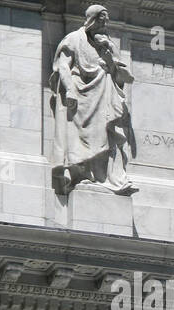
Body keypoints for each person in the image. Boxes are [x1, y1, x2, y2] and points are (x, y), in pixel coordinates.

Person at [50, 4, 136, 196]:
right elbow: (63, 65)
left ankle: (104, 177)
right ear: (92, 19)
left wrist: (110, 57)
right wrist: (70, 90)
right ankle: (81, 174)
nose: (105, 22)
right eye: (102, 18)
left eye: (106, 19)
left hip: (103, 96)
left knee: (104, 137)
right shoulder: (73, 39)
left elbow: (125, 78)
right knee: (78, 136)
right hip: (80, 97)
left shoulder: (108, 44)